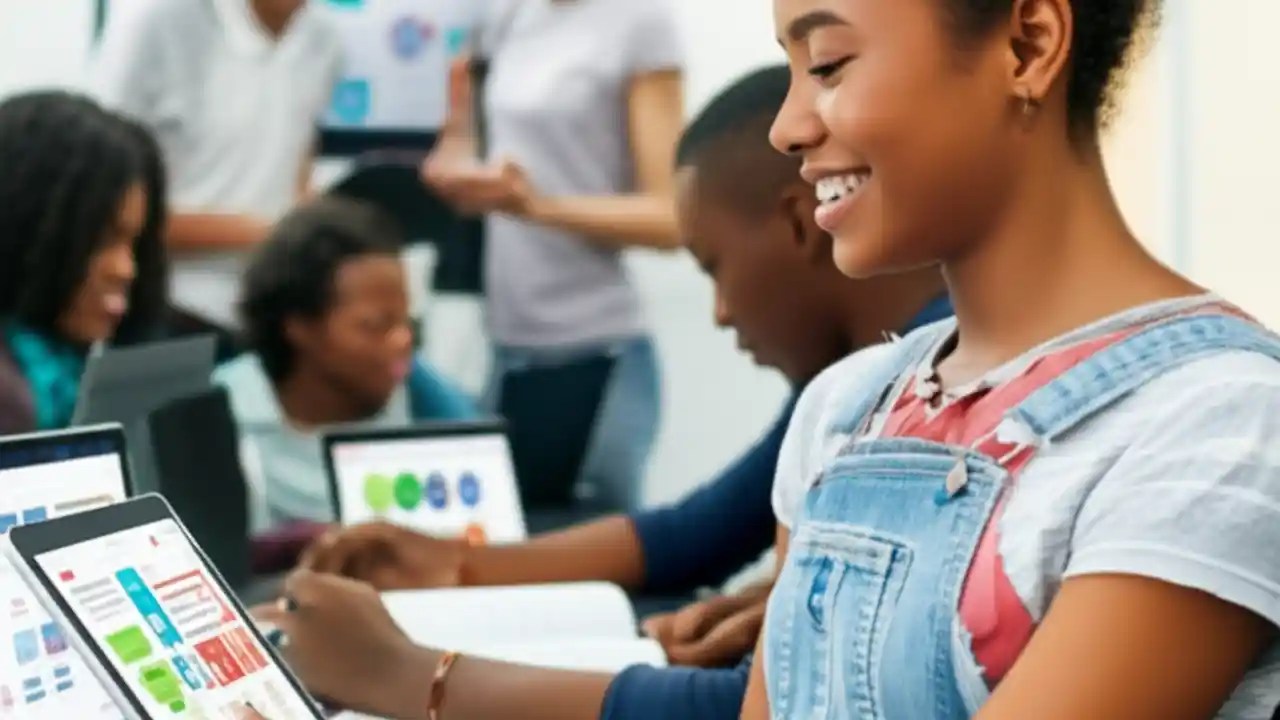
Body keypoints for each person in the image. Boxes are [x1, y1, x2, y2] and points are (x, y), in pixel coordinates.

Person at [252, 65, 949, 720]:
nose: (720, 314)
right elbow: (694, 535)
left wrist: (407, 673)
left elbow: (761, 700)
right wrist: (455, 563)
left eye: (712, 268)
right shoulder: (860, 386)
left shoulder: (910, 390)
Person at [741, 0, 1280, 717]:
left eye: (827, 66)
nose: (788, 127)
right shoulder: (845, 410)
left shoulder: (1223, 424)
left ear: (1028, 47)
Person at [421, 0, 685, 512]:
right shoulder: (506, 17)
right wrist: (454, 169)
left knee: (599, 543)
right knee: (507, 542)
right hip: (507, 347)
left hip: (599, 350)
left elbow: (672, 217)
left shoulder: (639, 23)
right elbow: (464, 145)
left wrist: (536, 206)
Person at [92, 0, 342, 357]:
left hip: (270, 310)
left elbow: (296, 160)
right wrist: (272, 234)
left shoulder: (324, 38)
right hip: (166, 307)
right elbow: (99, 204)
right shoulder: (156, 22)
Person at [216, 197, 477, 533]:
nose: (402, 341)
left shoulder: (425, 398)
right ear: (298, 326)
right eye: (376, 325)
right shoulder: (223, 413)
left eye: (406, 321)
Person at [0, 92, 168, 435]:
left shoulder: (68, 379)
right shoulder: (11, 401)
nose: (125, 269)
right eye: (102, 240)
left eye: (134, 244)